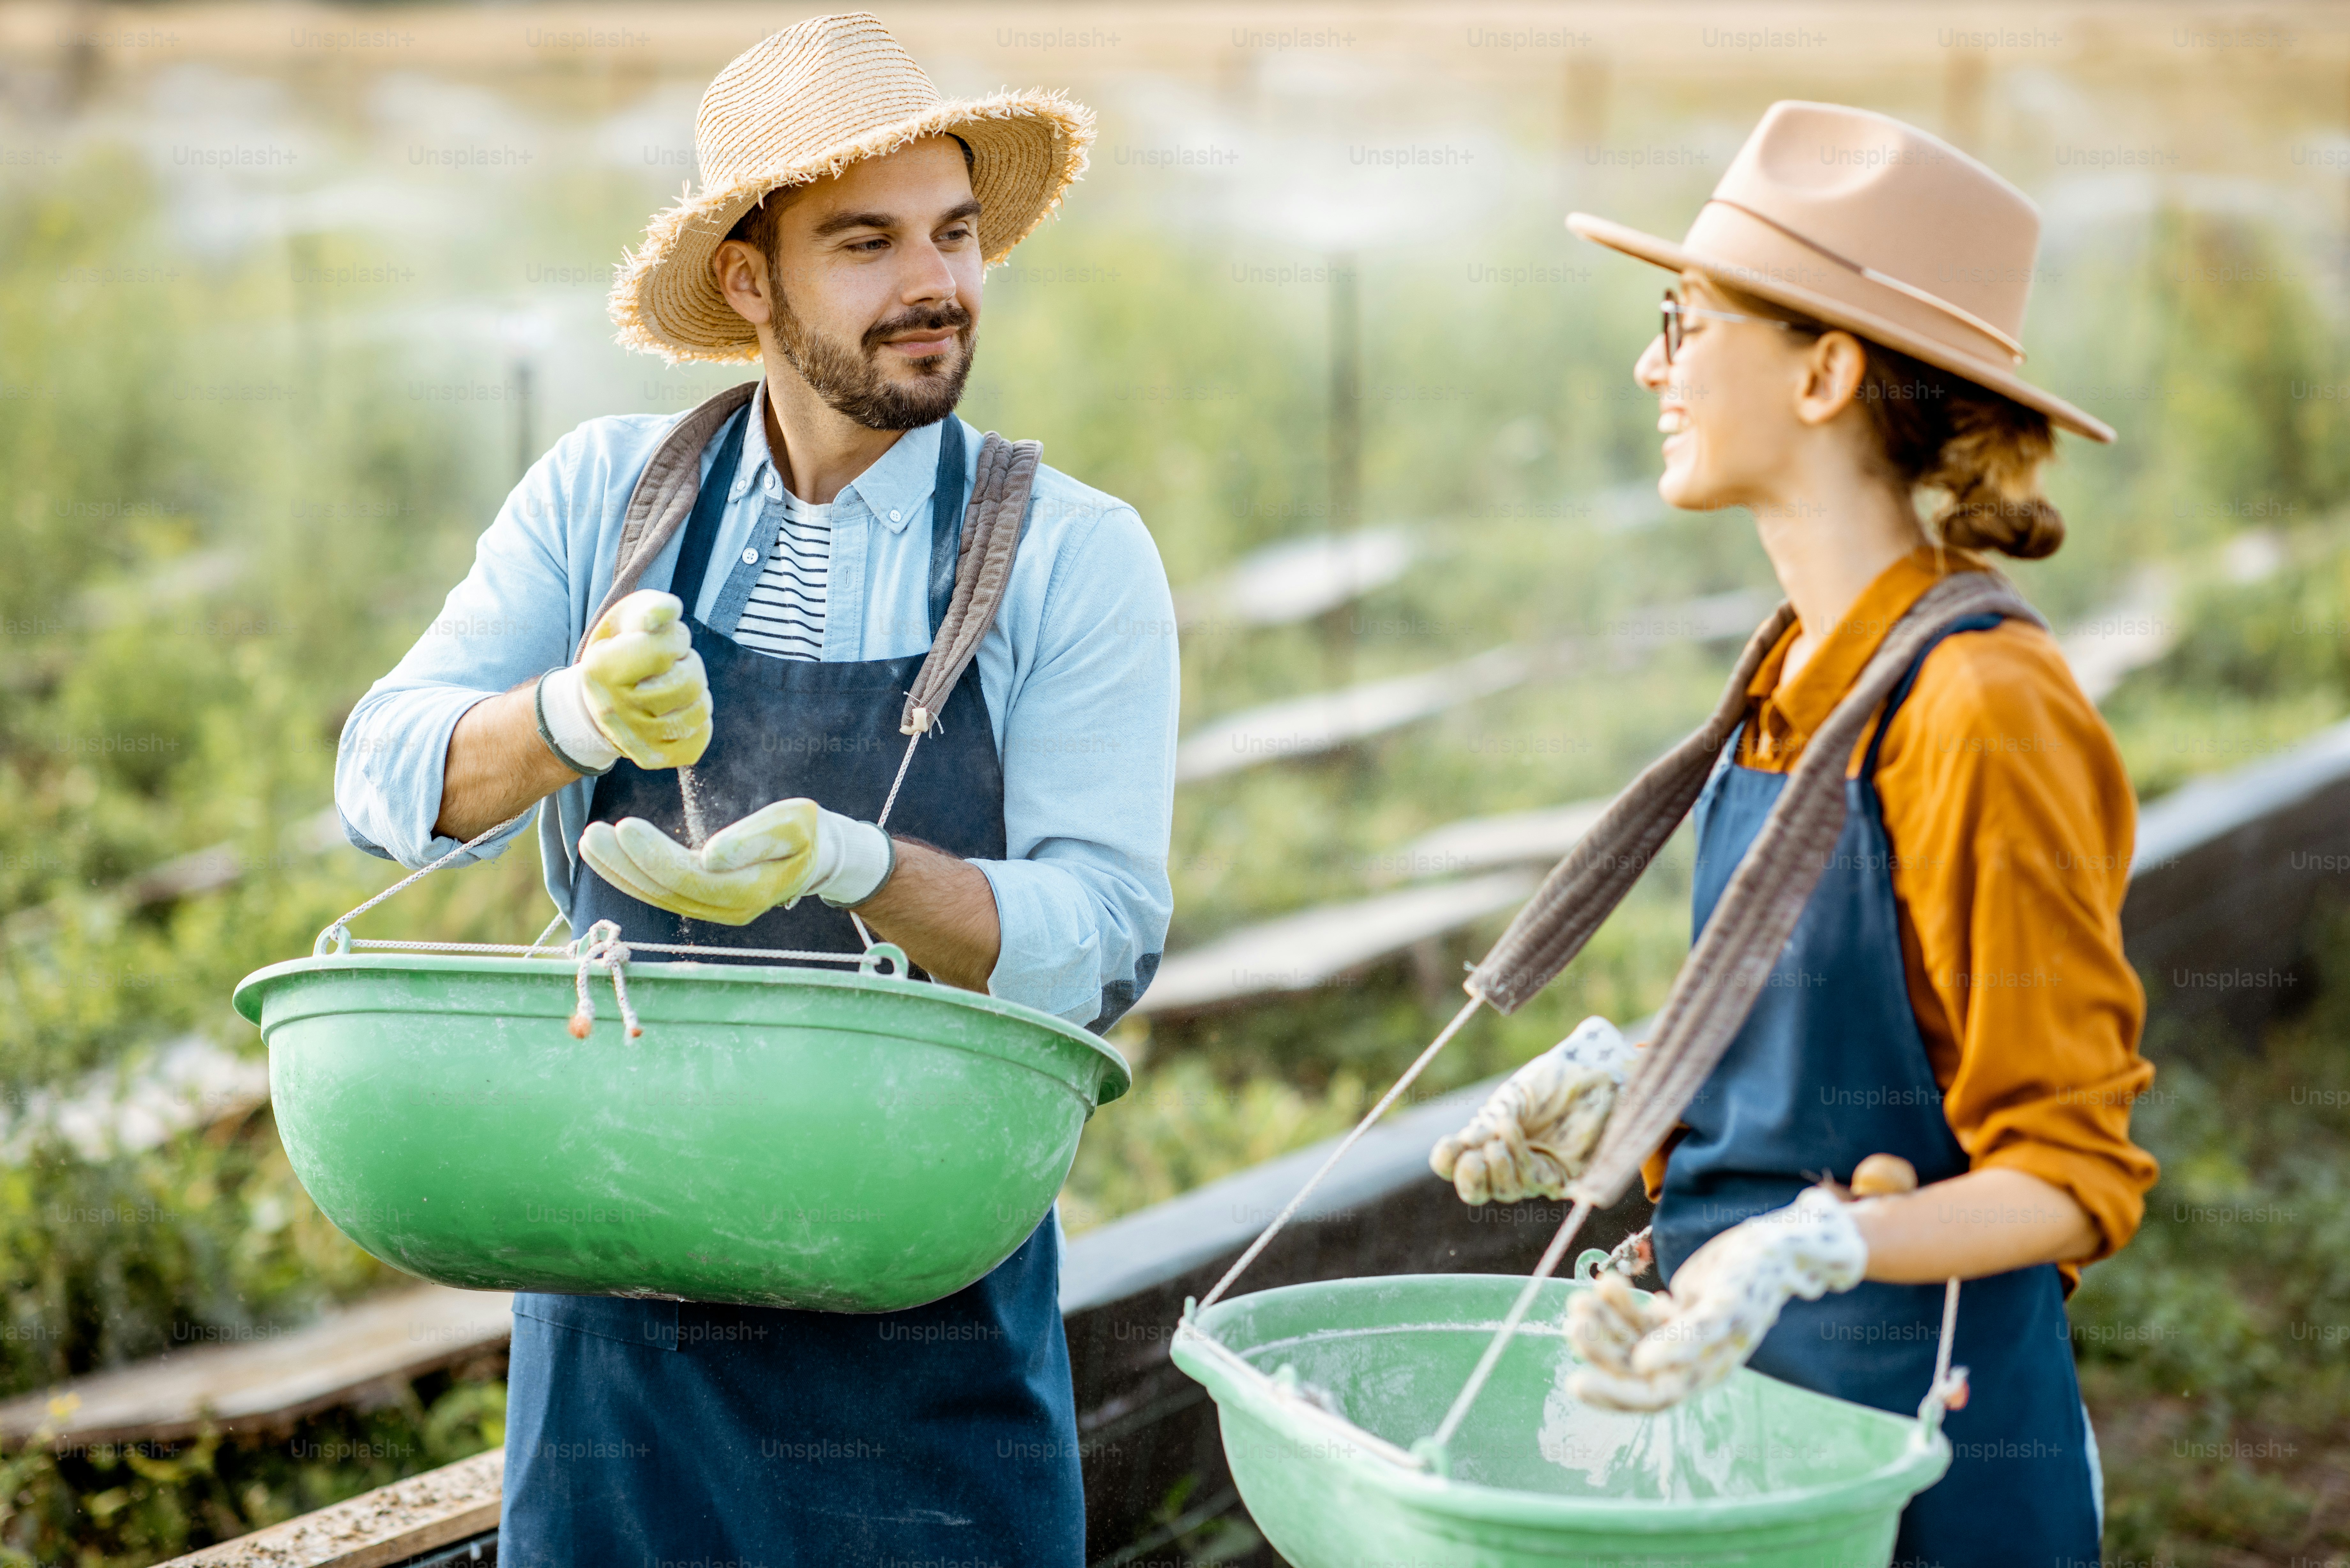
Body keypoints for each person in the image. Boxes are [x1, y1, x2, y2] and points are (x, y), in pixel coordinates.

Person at [333, 13, 1176, 1565]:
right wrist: (572, 715)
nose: (934, 285)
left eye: (955, 234)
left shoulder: (1068, 551)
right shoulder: (606, 497)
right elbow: (386, 781)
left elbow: (1108, 938)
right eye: (865, 244)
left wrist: (865, 863)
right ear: (747, 277)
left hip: (922, 1325)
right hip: (617, 1327)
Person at [1432, 101, 2154, 1566]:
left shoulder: (1980, 710)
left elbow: (2068, 1173)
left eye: (1684, 321)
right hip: (1756, 1451)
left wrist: (1809, 1242)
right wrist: (1657, 1087)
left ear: (1824, 370)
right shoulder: (1793, 676)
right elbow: (1875, 1060)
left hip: (1922, 1472)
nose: (1651, 363)